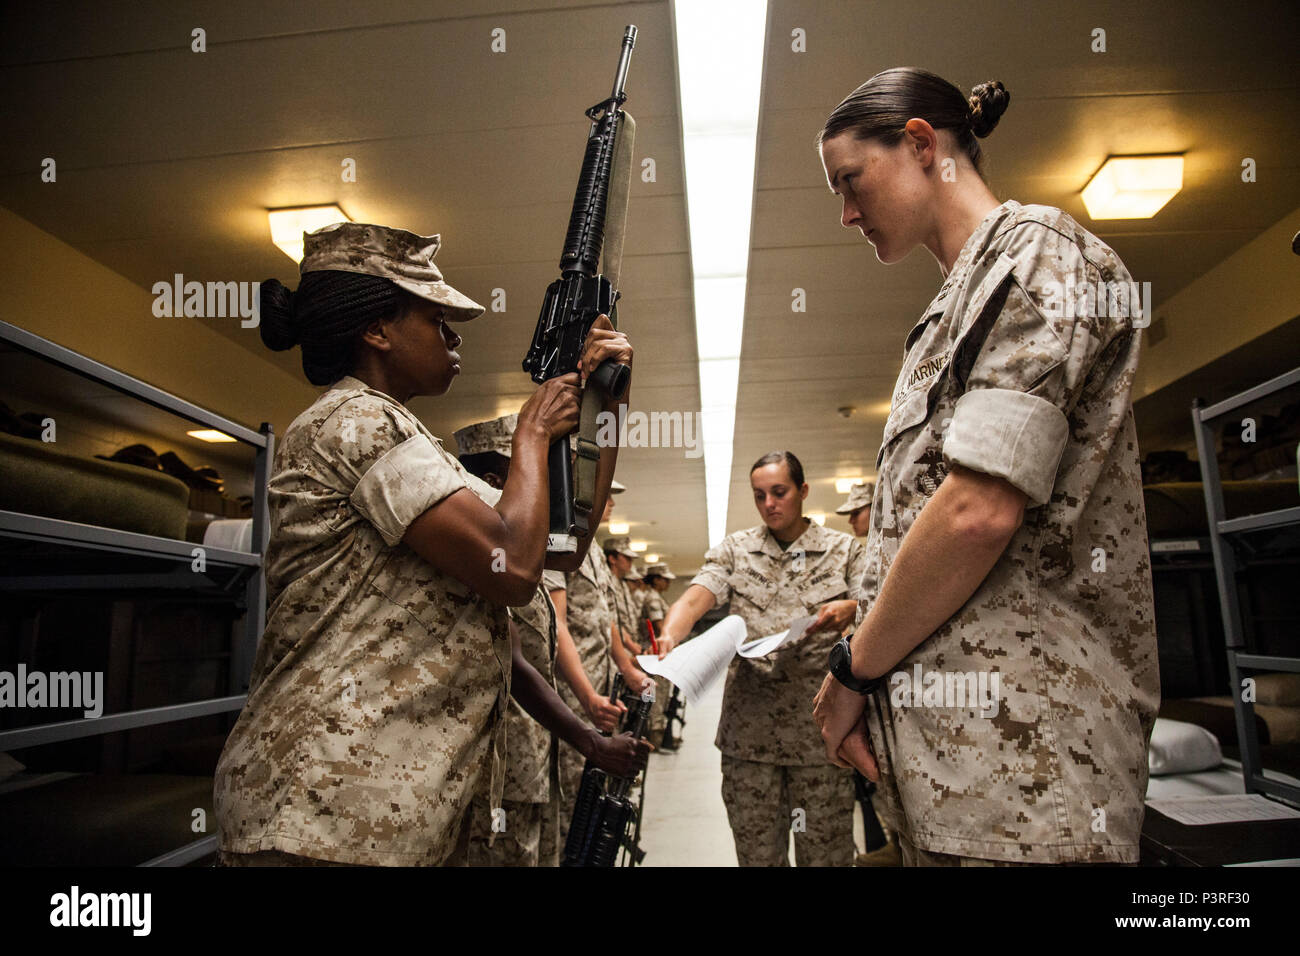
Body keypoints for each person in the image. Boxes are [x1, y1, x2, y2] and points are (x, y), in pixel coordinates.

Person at [213, 222, 643, 867]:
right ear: (377, 330)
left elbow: (555, 551)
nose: (454, 335)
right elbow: (514, 570)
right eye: (437, 319)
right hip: (327, 804)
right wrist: (529, 435)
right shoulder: (356, 422)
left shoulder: (413, 446)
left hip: (376, 808)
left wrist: (606, 409)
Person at [811, 69, 1159, 866]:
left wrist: (852, 673)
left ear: (921, 143)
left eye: (851, 182)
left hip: (1032, 770)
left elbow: (977, 512)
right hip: (964, 774)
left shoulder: (1037, 252)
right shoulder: (951, 308)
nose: (846, 213)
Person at [657, 451, 866, 866]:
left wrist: (851, 608)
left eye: (779, 492)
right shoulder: (736, 550)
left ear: (803, 491)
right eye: (759, 495)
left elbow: (877, 607)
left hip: (820, 736)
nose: (769, 503)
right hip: (749, 740)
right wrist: (670, 634)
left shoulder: (842, 551)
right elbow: (698, 596)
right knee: (757, 857)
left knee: (825, 856)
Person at [455, 414, 646, 866]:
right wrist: (592, 738)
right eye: (535, 471)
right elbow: (523, 657)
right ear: (492, 480)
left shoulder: (533, 543)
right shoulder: (481, 551)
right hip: (500, 757)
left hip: (539, 743)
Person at [548, 489, 651, 843]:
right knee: (572, 796)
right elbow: (556, 624)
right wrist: (588, 695)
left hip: (598, 687)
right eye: (605, 494)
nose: (612, 503)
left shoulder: (588, 546)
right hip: (571, 692)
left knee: (594, 792)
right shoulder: (557, 535)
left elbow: (607, 621)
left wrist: (627, 668)